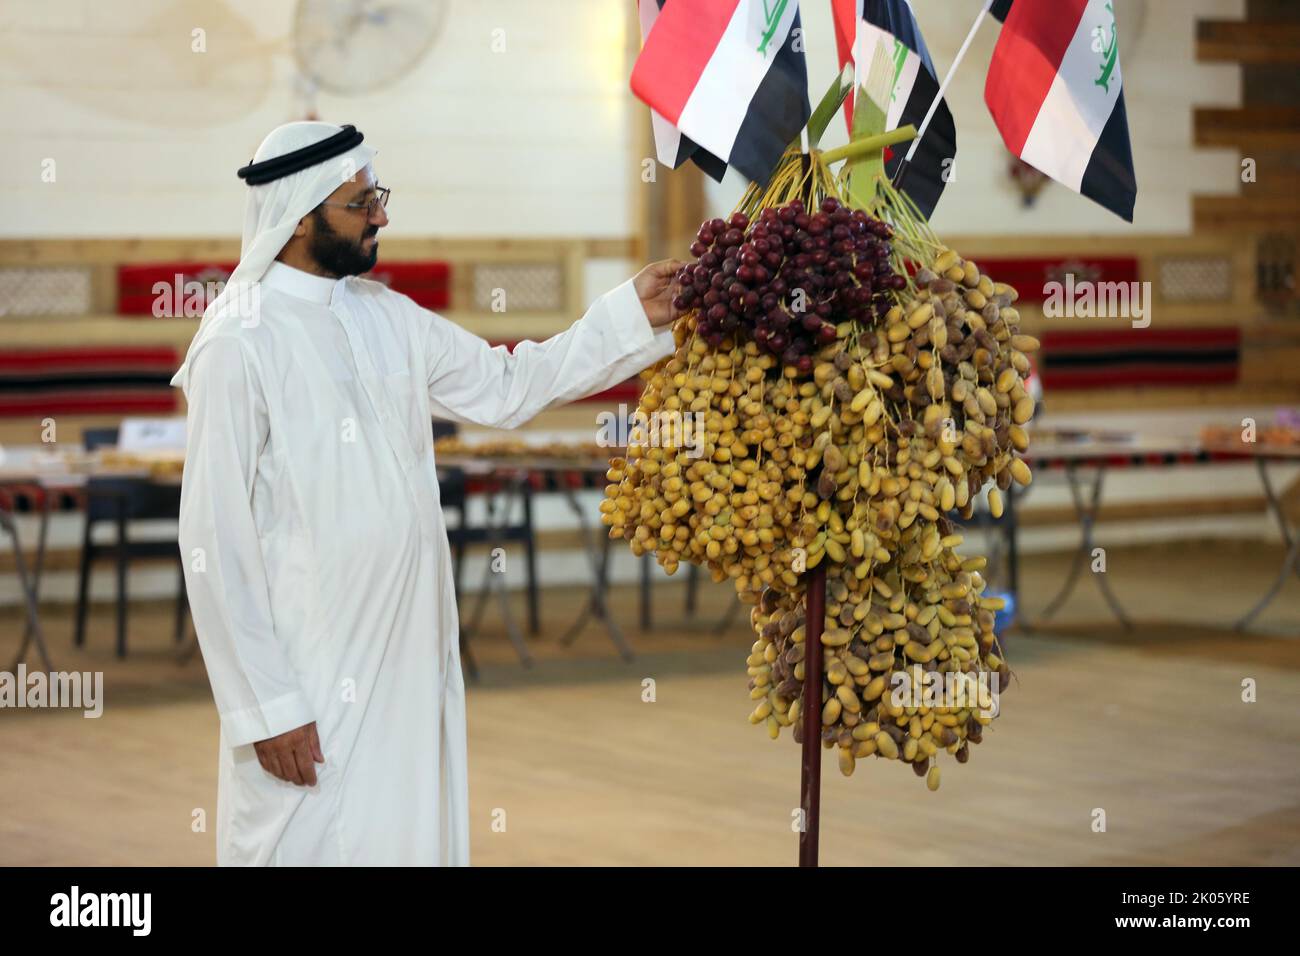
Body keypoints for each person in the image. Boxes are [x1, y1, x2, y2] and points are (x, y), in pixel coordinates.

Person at [174, 121, 681, 865]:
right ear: (299, 213)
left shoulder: (387, 317)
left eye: (379, 196)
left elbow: (508, 386)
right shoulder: (237, 343)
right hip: (307, 671)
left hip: (407, 655)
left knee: (402, 836)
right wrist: (265, 706)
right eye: (361, 202)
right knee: (304, 843)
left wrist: (631, 314)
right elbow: (212, 540)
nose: (382, 215)